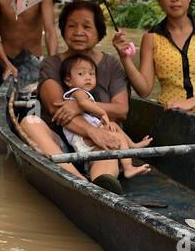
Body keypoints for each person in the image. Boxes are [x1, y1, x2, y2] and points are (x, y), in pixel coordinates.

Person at [20, 1, 147, 186]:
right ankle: (78, 182)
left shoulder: (111, 64)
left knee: (107, 148)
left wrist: (80, 107)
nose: (78, 32)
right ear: (63, 30)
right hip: (61, 145)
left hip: (102, 142)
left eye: (86, 26)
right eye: (71, 26)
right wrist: (90, 130)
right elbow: (58, 108)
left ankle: (101, 185)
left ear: (99, 32)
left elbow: (121, 110)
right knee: (29, 122)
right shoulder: (51, 64)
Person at [58, 52, 150, 182]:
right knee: (116, 135)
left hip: (87, 137)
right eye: (81, 74)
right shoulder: (78, 92)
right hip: (81, 138)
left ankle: (132, 146)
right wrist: (102, 113)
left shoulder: (83, 93)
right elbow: (84, 104)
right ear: (68, 80)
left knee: (114, 126)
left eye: (91, 74)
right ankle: (128, 167)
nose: (88, 77)